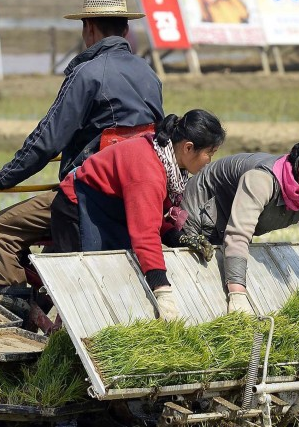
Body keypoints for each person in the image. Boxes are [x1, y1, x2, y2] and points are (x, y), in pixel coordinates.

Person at [0, 0, 164, 296]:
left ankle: (17, 317)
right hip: (137, 193)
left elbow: (47, 139)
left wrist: (3, 178)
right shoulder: (148, 72)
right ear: (125, 28)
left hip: (89, 194)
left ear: (88, 28)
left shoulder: (88, 73)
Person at [176, 131, 299, 341]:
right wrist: (237, 294)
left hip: (230, 220)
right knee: (200, 281)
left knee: (226, 270)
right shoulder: (262, 179)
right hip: (201, 210)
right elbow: (238, 234)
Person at [50, 110, 226, 320]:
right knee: (83, 289)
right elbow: (145, 234)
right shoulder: (148, 171)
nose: (210, 160)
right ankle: (65, 339)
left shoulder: (167, 159)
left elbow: (150, 213)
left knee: (114, 284)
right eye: (210, 153)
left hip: (113, 211)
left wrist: (177, 237)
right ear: (188, 148)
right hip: (81, 207)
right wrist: (162, 291)